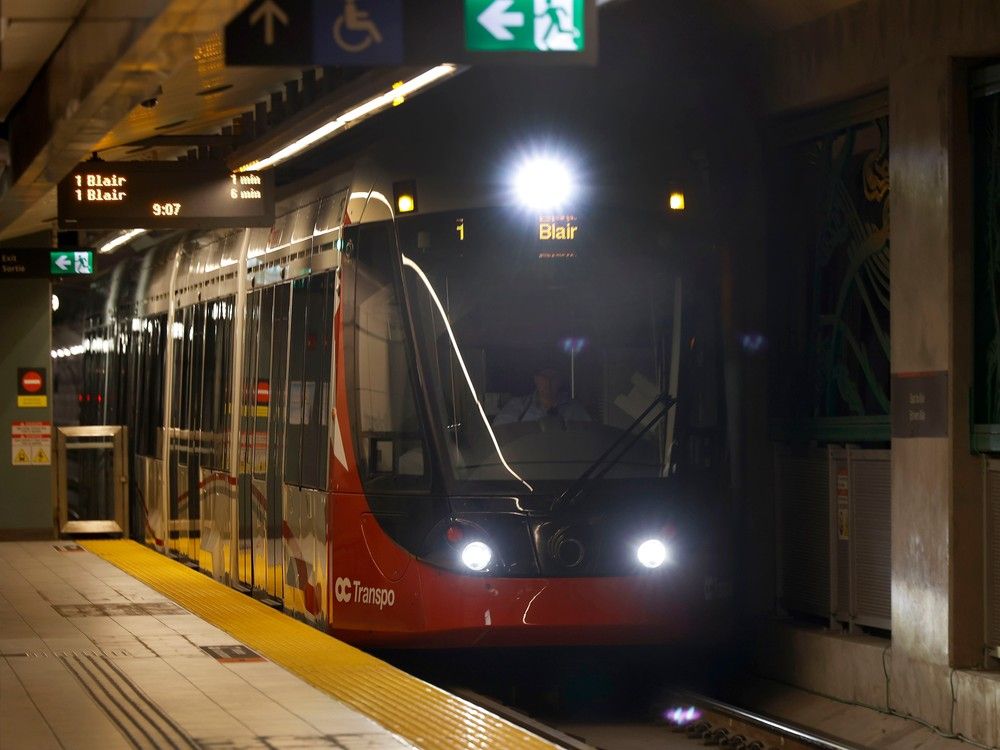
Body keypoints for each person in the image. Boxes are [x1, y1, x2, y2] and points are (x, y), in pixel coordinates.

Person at [493, 367, 590, 425]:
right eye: (544, 376)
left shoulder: (574, 410)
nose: (549, 381)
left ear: (560, 380)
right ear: (536, 379)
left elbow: (587, 438)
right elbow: (499, 436)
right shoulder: (517, 407)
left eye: (554, 377)